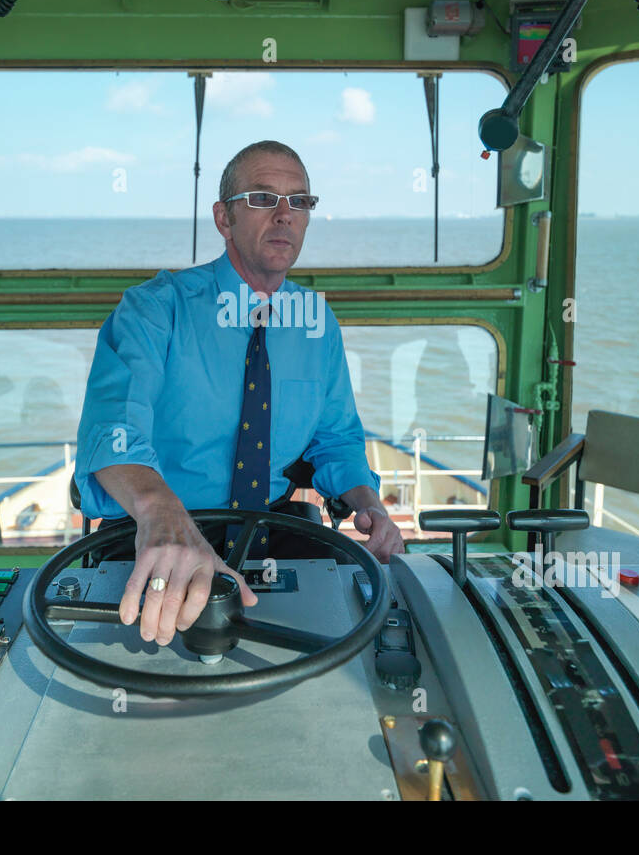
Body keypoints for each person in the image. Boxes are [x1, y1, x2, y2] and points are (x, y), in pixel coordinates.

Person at [74, 140, 405, 647]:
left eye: (299, 201)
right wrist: (159, 511)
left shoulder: (317, 324)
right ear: (223, 218)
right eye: (261, 198)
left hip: (271, 532)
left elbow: (335, 439)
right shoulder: (154, 310)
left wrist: (369, 504)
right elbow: (114, 433)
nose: (283, 216)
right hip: (157, 531)